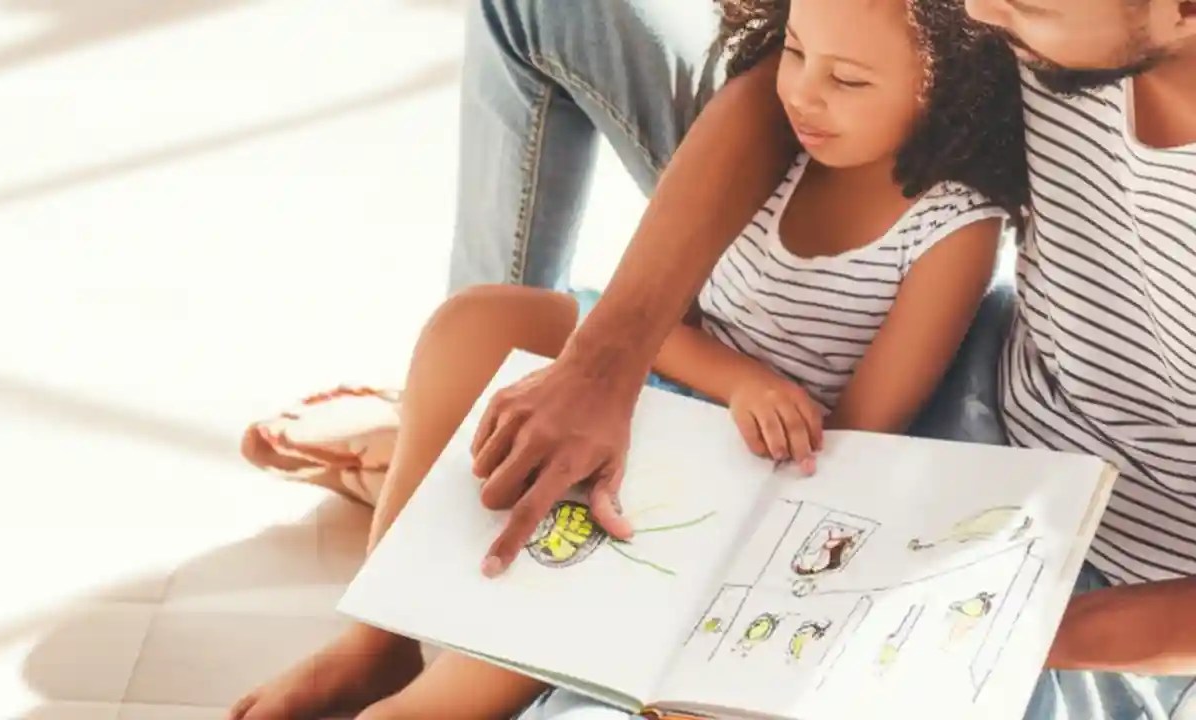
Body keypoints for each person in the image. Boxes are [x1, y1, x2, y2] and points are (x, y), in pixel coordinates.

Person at [226, 0, 1030, 717]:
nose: (802, 93)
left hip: (756, 465)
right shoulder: (776, 146)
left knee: (538, 595)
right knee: (473, 323)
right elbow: (647, 323)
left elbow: (859, 437)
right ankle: (379, 637)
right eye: (793, 51)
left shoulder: (951, 231)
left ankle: (431, 703)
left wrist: (744, 411)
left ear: (953, 92)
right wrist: (736, 376)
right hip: (671, 384)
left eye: (848, 81)